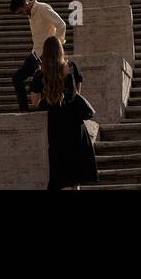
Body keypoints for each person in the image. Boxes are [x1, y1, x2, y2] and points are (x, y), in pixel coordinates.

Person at [28, 35, 98, 190]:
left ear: (45, 53)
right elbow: (77, 93)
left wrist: (49, 99)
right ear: (61, 50)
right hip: (74, 123)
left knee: (59, 168)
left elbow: (35, 102)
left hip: (56, 125)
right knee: (76, 173)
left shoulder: (40, 74)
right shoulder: (71, 67)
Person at [9, 0, 67, 111]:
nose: (22, 15)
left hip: (46, 54)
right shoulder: (31, 13)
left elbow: (61, 25)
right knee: (17, 78)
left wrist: (55, 46)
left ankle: (46, 108)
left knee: (40, 82)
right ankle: (24, 111)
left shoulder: (42, 8)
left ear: (25, 3)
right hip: (36, 53)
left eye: (21, 12)